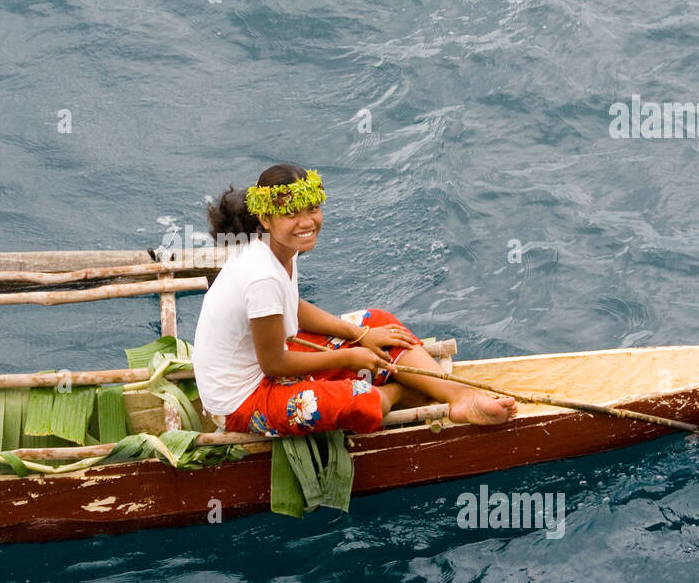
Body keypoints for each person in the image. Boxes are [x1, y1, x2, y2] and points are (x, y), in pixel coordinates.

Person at [192, 163, 517, 437]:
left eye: (313, 208)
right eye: (291, 213)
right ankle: (402, 392)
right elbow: (274, 363)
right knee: (358, 400)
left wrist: (360, 336)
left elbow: (292, 307)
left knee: (377, 323)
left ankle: (460, 398)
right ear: (265, 218)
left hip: (272, 361)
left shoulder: (280, 247)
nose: (306, 222)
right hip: (242, 400)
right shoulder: (261, 273)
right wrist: (349, 358)